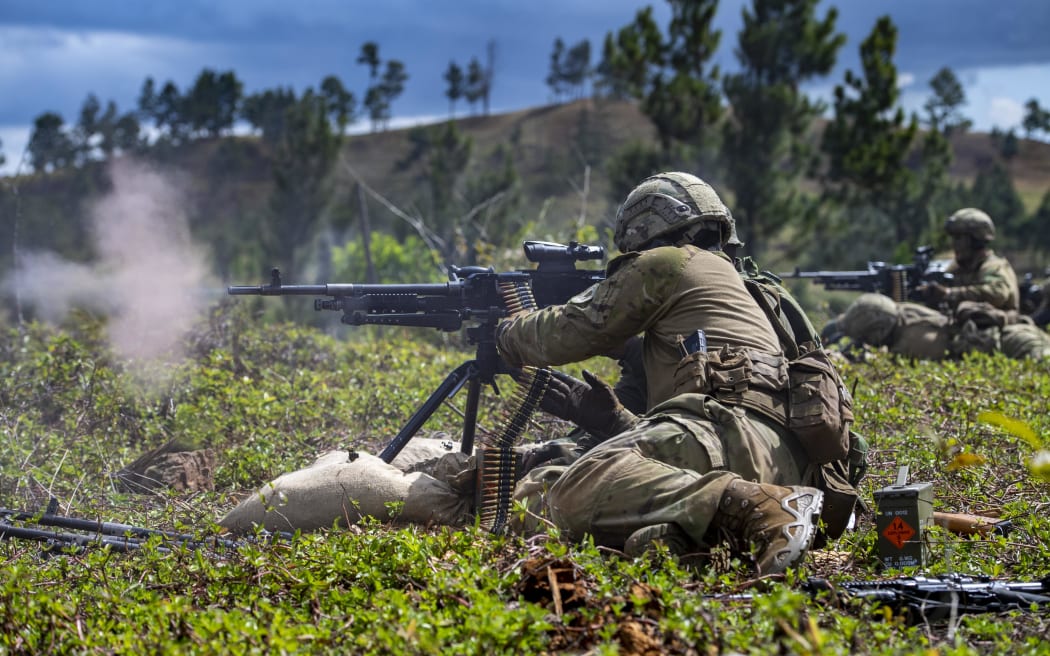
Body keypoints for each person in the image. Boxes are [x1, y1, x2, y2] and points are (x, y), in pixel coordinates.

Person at [495, 172, 844, 575]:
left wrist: (505, 333)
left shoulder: (671, 260)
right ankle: (701, 532)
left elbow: (571, 331)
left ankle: (760, 508)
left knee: (572, 489)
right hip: (786, 462)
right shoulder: (746, 290)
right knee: (540, 491)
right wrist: (613, 420)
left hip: (733, 434)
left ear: (645, 235)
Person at [826, 292, 1050, 362]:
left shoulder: (908, 344)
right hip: (1017, 334)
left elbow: (884, 362)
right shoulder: (906, 312)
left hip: (1015, 344)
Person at [919, 208, 1019, 312]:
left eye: (958, 238)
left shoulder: (993, 266)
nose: (953, 244)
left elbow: (997, 294)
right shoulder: (957, 268)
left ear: (975, 240)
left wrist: (948, 293)